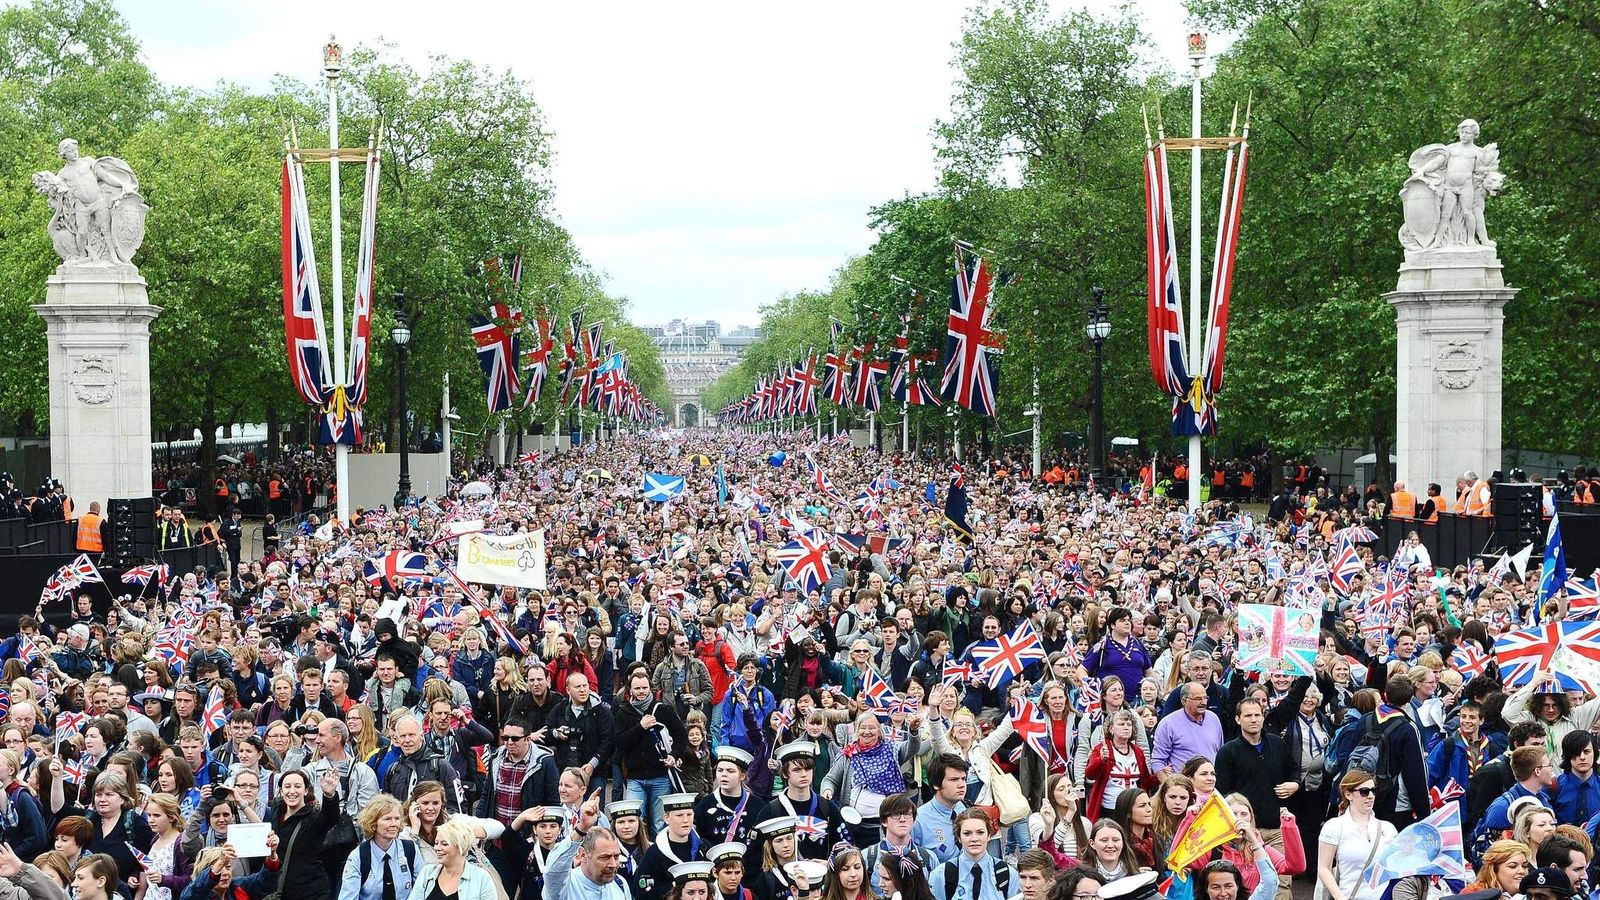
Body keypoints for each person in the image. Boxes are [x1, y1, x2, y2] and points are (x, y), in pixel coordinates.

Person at [1215, 697, 1299, 856]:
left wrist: (1294, 784)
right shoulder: (1227, 752)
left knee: (1281, 872)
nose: (1253, 720)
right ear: (1238, 719)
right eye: (1248, 716)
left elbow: (1293, 770)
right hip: (1243, 832)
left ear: (1263, 717)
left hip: (1276, 829)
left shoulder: (1277, 743)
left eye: (1257, 715)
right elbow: (1222, 793)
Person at [1317, 770, 1398, 900]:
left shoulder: (1388, 828)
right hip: (1350, 895)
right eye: (1364, 791)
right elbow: (1323, 868)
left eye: (1373, 791)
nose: (1370, 796)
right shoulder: (1334, 826)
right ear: (1348, 794)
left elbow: (1396, 866)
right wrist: (1340, 897)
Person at [338, 794, 419, 900]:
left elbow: (422, 889)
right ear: (373, 824)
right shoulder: (359, 856)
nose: (394, 824)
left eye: (397, 818)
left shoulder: (410, 849)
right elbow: (348, 897)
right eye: (388, 819)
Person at [404, 819, 497, 900]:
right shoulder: (427, 873)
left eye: (444, 844)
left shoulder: (481, 878)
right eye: (436, 843)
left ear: (460, 846)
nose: (437, 848)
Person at [1152, 682, 1223, 777]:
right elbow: (1158, 761)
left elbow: (1220, 754)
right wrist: (1169, 784)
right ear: (1184, 701)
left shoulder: (1213, 719)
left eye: (1205, 698)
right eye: (1198, 699)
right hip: (1182, 783)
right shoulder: (1168, 723)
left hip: (1210, 783)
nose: (1204, 702)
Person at [1467, 841, 1532, 900]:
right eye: (1513, 866)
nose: (1521, 871)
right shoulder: (1473, 896)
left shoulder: (1534, 894)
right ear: (1494, 870)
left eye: (1524, 866)